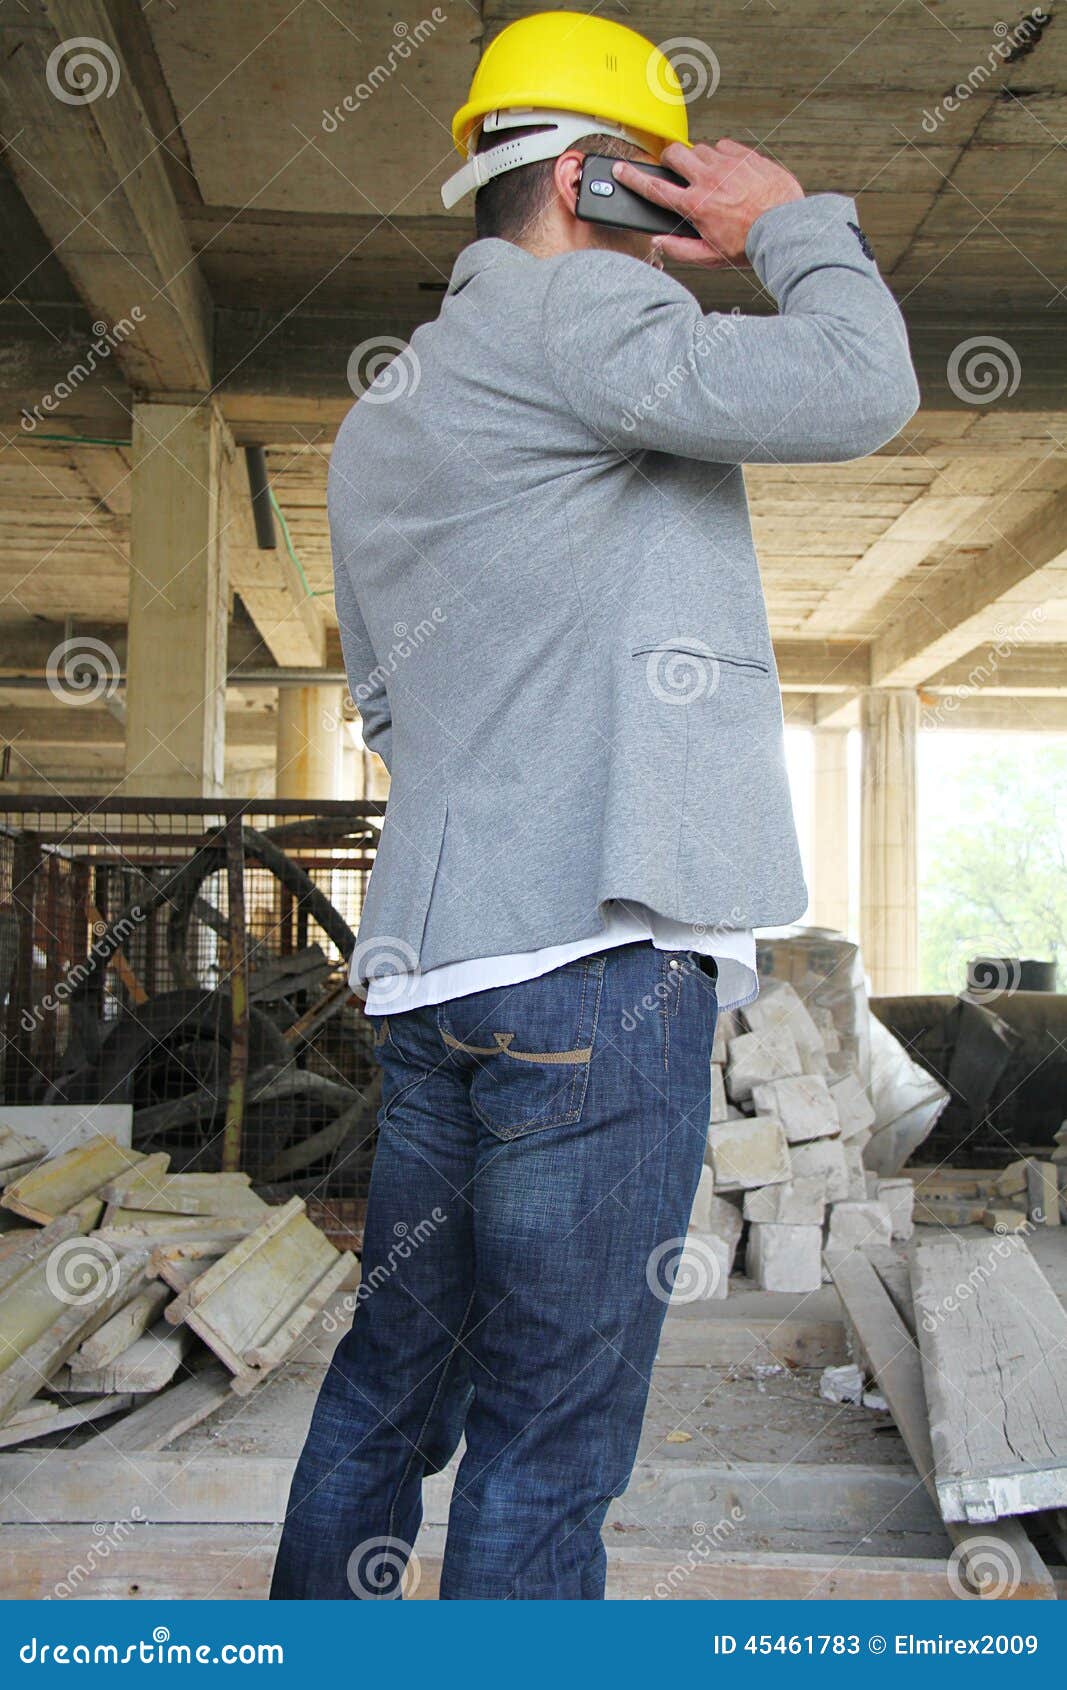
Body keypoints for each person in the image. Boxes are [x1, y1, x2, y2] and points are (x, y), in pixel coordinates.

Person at [271, 10, 918, 1601]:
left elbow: (384, 704)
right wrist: (785, 225)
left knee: (386, 1389)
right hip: (592, 968)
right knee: (548, 1437)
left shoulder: (385, 413)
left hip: (437, 977)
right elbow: (863, 383)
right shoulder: (582, 319)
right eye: (655, 174)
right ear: (587, 178)